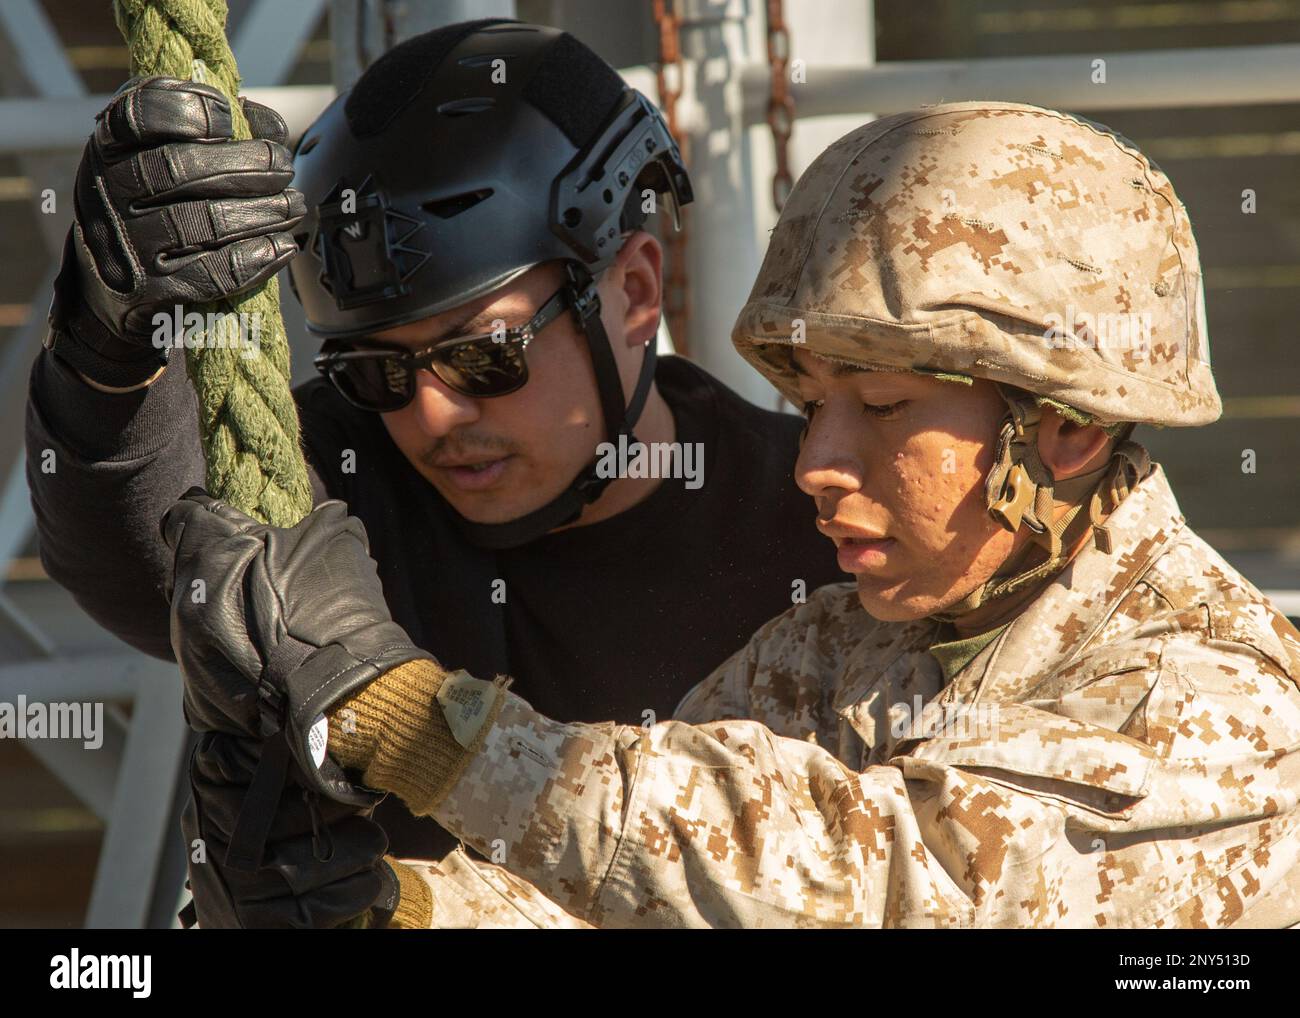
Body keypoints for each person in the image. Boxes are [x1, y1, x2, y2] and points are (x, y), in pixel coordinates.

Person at [166, 100, 1300, 927]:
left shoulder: (1217, 707)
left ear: (1066, 430)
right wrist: (388, 910)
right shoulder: (840, 651)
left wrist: (411, 721)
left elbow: (877, 887)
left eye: (882, 405)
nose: (814, 461)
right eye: (809, 406)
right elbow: (623, 900)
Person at [24, 20, 840, 927]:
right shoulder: (333, 475)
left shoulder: (822, 531)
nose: (431, 417)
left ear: (637, 293)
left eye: (484, 356)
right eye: (376, 371)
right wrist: (103, 348)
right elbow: (135, 555)